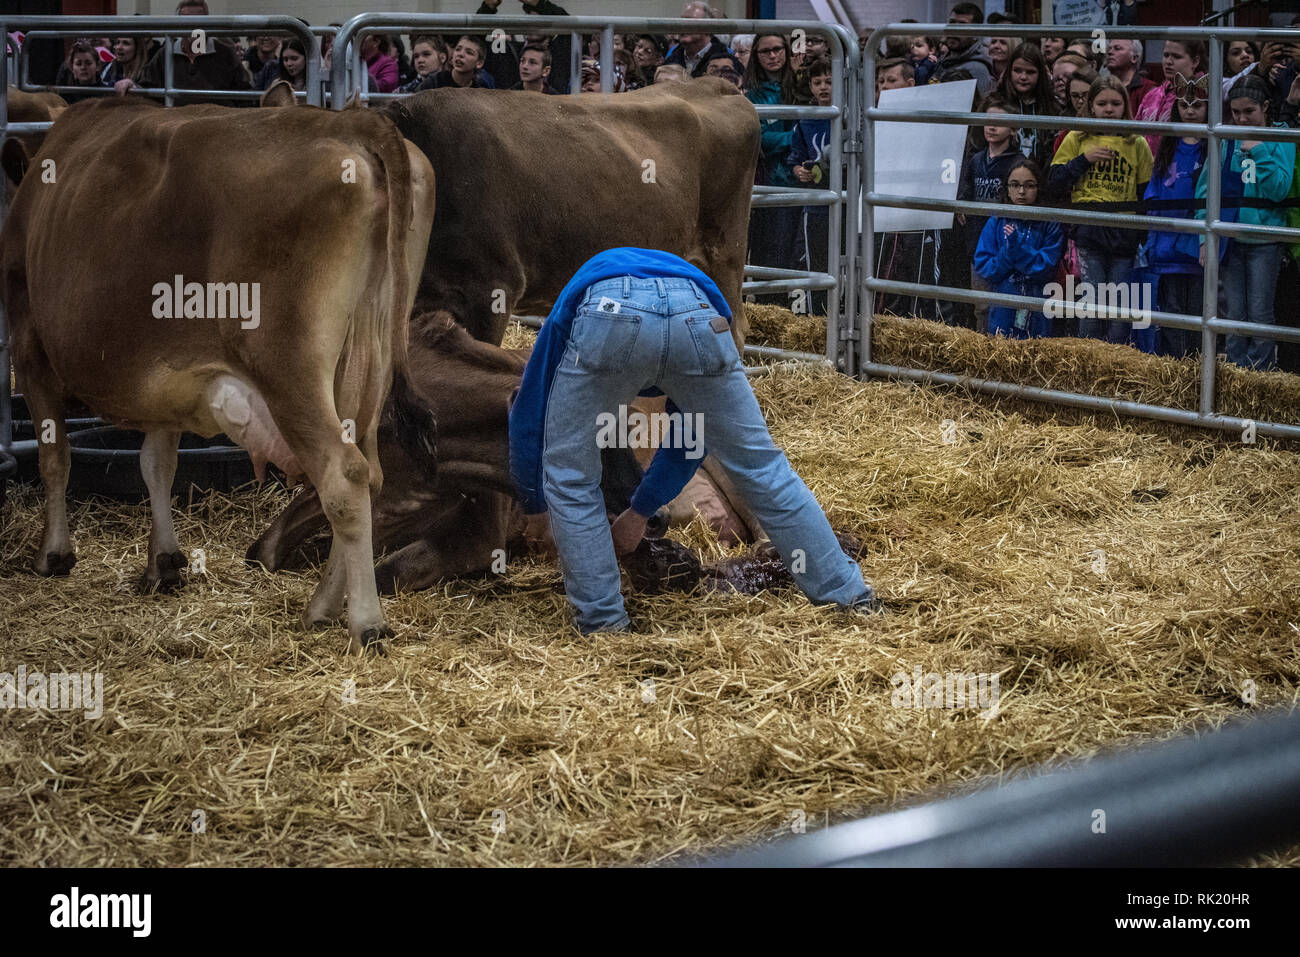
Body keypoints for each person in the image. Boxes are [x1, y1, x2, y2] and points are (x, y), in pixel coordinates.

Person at [508, 247, 882, 636]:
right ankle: (851, 598)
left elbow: (530, 408)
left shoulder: (580, 288)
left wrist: (537, 506)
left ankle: (604, 626)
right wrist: (641, 511)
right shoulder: (684, 279)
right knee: (764, 469)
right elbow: (691, 436)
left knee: (570, 476)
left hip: (609, 314)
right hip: (700, 316)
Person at [1194, 75, 1297, 371]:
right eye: (1236, 112)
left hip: (1266, 240)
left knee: (1261, 313)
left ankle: (1260, 378)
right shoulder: (1225, 137)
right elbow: (1206, 189)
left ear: (1265, 106)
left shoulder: (1283, 135)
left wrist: (1260, 150)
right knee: (1234, 313)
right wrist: (1205, 237)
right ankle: (1237, 376)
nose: (1241, 119)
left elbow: (1279, 189)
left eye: (1249, 111)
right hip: (1229, 236)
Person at [1049, 75, 1153, 343]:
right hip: (1090, 227)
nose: (1109, 109)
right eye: (1102, 103)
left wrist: (1141, 235)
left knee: (1119, 305)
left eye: (1116, 103)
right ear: (1091, 106)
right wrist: (1084, 159)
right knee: (1093, 300)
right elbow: (1055, 182)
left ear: (1125, 106)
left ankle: (1116, 361)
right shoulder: (1077, 138)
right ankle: (1088, 358)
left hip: (1124, 229)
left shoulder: (1137, 143)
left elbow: (1145, 193)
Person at [1144, 76, 1208, 359]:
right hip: (1167, 249)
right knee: (1170, 315)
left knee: (1197, 316)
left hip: (1196, 251)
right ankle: (1175, 371)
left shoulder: (1213, 148)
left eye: (1197, 105)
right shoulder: (1167, 148)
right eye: (1184, 104)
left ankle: (1196, 372)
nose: (1190, 110)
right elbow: (1153, 193)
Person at [974, 157, 1064, 339]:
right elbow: (985, 267)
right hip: (1003, 305)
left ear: (1039, 188)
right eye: (1014, 185)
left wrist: (1015, 249)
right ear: (1006, 189)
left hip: (1039, 303)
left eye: (1029, 185)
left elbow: (1047, 267)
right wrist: (1009, 252)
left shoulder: (1050, 223)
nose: (1021, 191)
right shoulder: (996, 221)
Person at [959, 96, 1023, 332]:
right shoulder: (976, 159)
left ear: (1014, 128)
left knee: (1006, 299)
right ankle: (982, 345)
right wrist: (962, 205)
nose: (991, 127)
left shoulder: (1017, 162)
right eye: (987, 121)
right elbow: (966, 188)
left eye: (999, 122)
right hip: (977, 238)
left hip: (1005, 236)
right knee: (981, 303)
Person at [744, 32, 801, 295]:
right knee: (772, 250)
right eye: (765, 51)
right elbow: (759, 137)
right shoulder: (752, 95)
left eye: (777, 49)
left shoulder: (802, 85)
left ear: (787, 52)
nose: (772, 55)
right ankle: (772, 308)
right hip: (772, 181)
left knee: (800, 252)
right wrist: (798, 137)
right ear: (756, 56)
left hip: (807, 180)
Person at [119, 1, 252, 106]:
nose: (192, 27)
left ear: (207, 24)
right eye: (186, 20)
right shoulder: (166, 53)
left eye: (198, 21)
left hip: (215, 126)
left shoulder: (224, 53)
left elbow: (244, 94)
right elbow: (147, 87)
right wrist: (132, 85)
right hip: (175, 124)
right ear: (178, 24)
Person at [787, 56, 833, 314]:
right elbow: (794, 157)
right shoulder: (805, 119)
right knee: (816, 263)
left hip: (849, 202)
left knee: (847, 261)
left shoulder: (854, 116)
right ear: (811, 86)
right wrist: (798, 171)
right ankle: (819, 318)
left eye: (829, 81)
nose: (824, 87)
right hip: (816, 203)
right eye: (817, 82)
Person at [1134, 41, 1206, 155]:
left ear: (1195, 61)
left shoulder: (1204, 95)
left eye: (1177, 57)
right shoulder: (1152, 95)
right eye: (1166, 55)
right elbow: (1136, 133)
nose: (1168, 62)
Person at [995, 42, 1056, 168]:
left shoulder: (1052, 109)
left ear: (1040, 74)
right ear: (1009, 71)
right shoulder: (994, 105)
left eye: (1030, 72)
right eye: (1017, 70)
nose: (1023, 77)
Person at [936, 2, 994, 95]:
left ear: (975, 33)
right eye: (952, 23)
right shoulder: (943, 59)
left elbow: (977, 106)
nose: (954, 30)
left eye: (962, 25)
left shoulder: (977, 69)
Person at [665, 2, 729, 77]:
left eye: (689, 21)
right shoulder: (671, 59)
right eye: (681, 21)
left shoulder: (725, 61)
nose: (682, 25)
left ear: (708, 27)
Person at [1104, 39, 1155, 116]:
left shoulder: (1148, 90)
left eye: (1117, 48)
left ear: (1134, 58)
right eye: (1109, 49)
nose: (1110, 52)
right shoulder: (1102, 86)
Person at [429, 35, 493, 89]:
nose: (460, 54)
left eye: (469, 52)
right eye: (458, 49)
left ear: (479, 63)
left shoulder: (480, 89)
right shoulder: (433, 83)